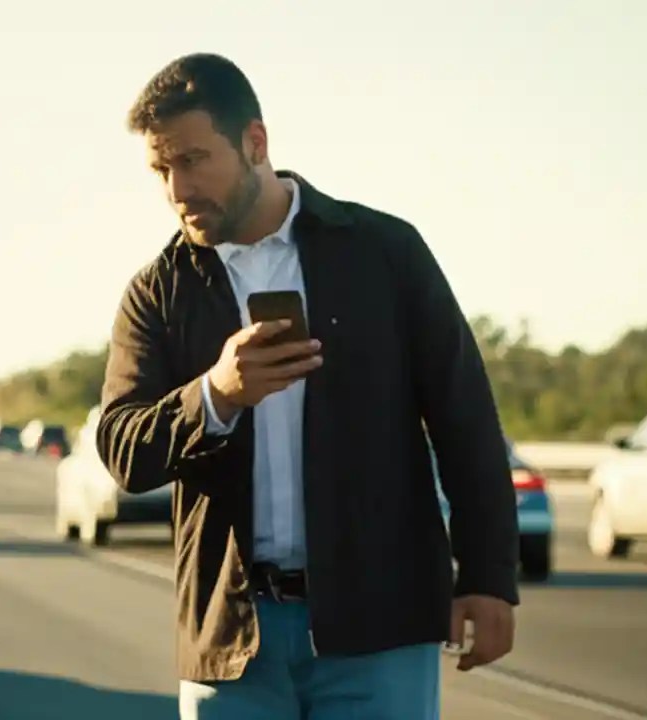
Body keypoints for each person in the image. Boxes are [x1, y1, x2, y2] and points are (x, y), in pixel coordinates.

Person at [97, 52, 520, 719]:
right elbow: (122, 446)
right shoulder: (159, 290)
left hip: (379, 631)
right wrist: (216, 394)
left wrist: (491, 579)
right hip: (234, 646)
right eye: (161, 168)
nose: (178, 189)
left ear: (255, 143)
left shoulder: (383, 252)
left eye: (194, 159)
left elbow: (465, 418)